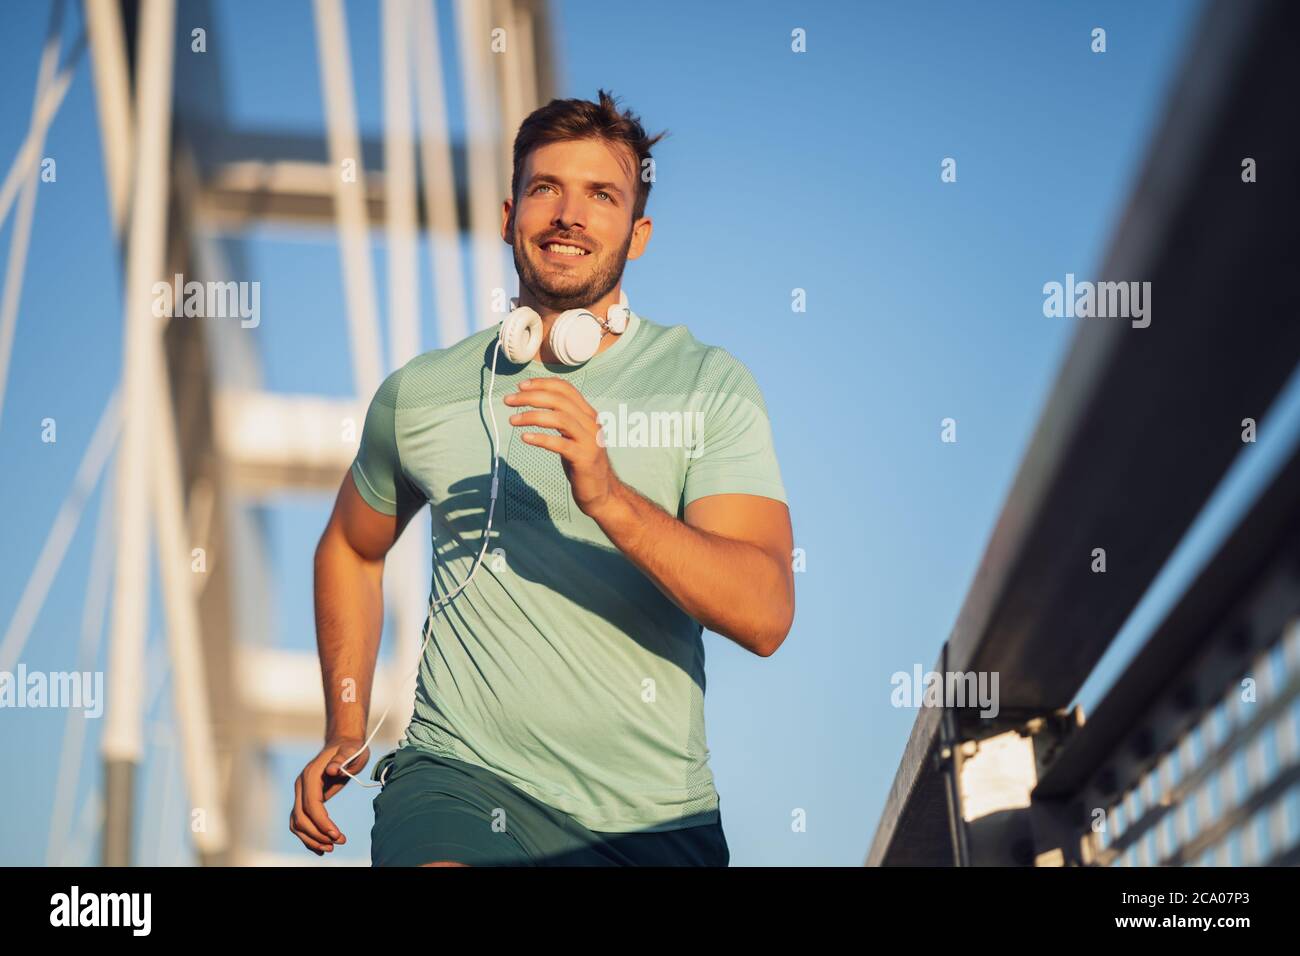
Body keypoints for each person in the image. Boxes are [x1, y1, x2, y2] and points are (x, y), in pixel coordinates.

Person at [290, 89, 794, 866]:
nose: (568, 214)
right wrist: (346, 724)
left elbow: (765, 613)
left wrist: (609, 500)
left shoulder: (707, 384)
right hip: (455, 778)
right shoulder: (421, 392)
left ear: (639, 233)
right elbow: (350, 549)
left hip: (652, 821)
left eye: (601, 195)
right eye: (544, 188)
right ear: (508, 216)